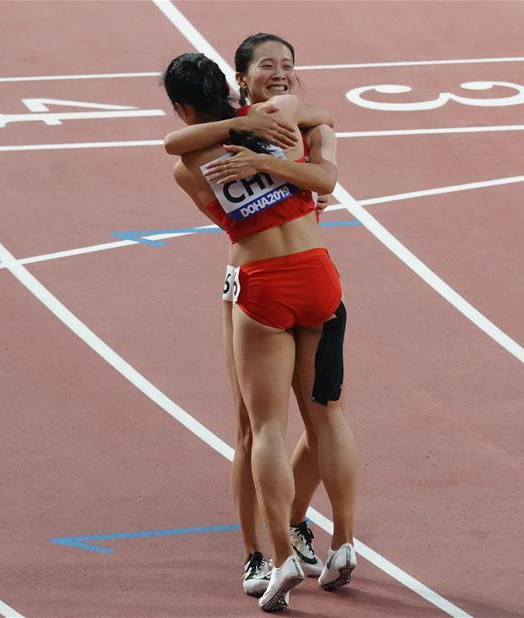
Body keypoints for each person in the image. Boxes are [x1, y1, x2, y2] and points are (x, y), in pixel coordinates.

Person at [163, 37, 358, 612]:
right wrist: (308, 135)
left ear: (183, 106)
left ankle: (278, 554)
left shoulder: (188, 164)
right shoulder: (280, 116)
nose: (280, 76)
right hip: (318, 273)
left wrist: (237, 142)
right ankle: (344, 540)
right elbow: (318, 126)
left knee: (261, 428)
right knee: (330, 416)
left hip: (260, 283)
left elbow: (177, 148)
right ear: (234, 85)